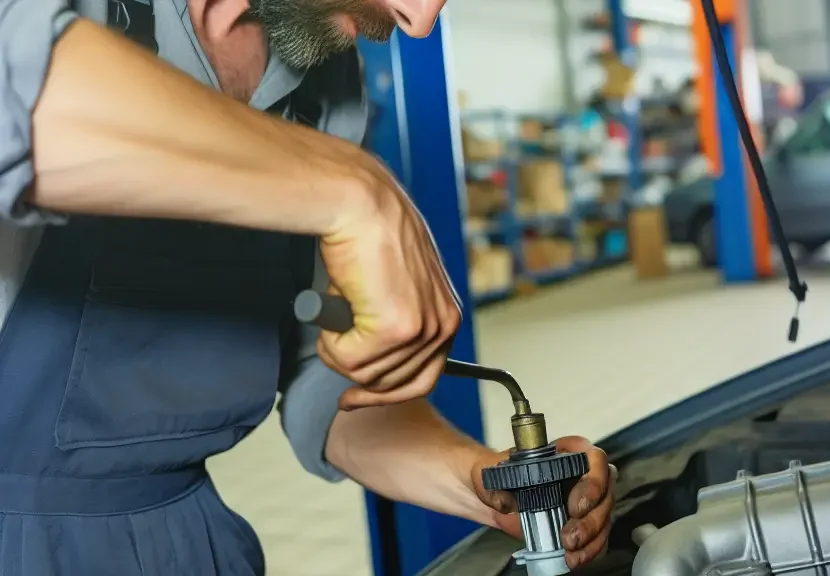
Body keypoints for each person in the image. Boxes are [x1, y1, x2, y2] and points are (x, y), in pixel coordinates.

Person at [0, 0, 614, 574]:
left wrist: (482, 482)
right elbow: (23, 98)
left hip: (190, 541)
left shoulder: (322, 88)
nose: (419, 19)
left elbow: (327, 375)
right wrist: (349, 188)